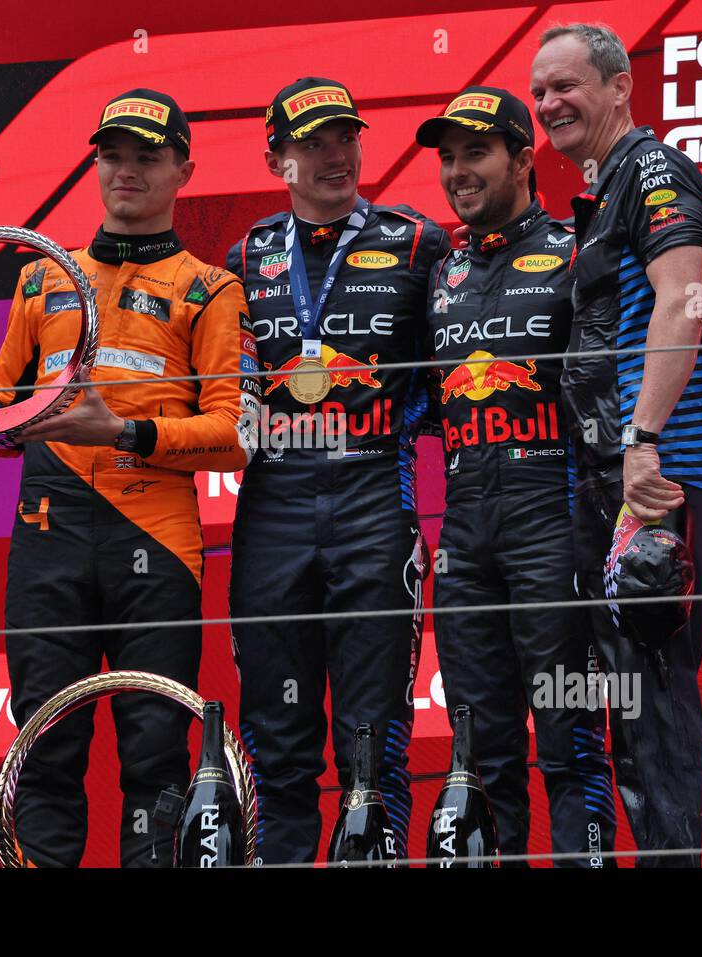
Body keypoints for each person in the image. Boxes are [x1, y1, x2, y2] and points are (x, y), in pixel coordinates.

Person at [0, 89, 257, 867]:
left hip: (158, 544)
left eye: (147, 156)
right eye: (112, 155)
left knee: (156, 757)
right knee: (44, 749)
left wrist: (122, 431)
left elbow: (235, 437)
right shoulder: (45, 279)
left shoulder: (210, 287)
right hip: (48, 538)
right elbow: (2, 421)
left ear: (183, 168)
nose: (127, 170)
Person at [225, 77, 450, 863]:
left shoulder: (420, 242)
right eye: (313, 142)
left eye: (346, 138)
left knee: (373, 730)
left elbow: (455, 373)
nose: (335, 155)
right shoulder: (247, 256)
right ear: (276, 158)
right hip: (274, 501)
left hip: (372, 496)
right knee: (274, 731)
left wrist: (383, 421)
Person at [531, 24, 702, 866]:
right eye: (540, 93)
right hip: (617, 472)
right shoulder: (608, 189)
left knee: (651, 694)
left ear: (621, 90)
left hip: (655, 474)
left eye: (566, 86)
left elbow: (684, 302)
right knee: (628, 694)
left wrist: (643, 443)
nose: (549, 105)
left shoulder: (654, 171)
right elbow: (680, 324)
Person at [416, 86, 617, 867]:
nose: (459, 172)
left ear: (525, 159)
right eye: (448, 157)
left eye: (477, 152)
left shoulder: (579, 250)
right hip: (465, 532)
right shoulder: (438, 270)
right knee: (483, 750)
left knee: (570, 742)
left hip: (553, 523)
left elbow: (638, 365)